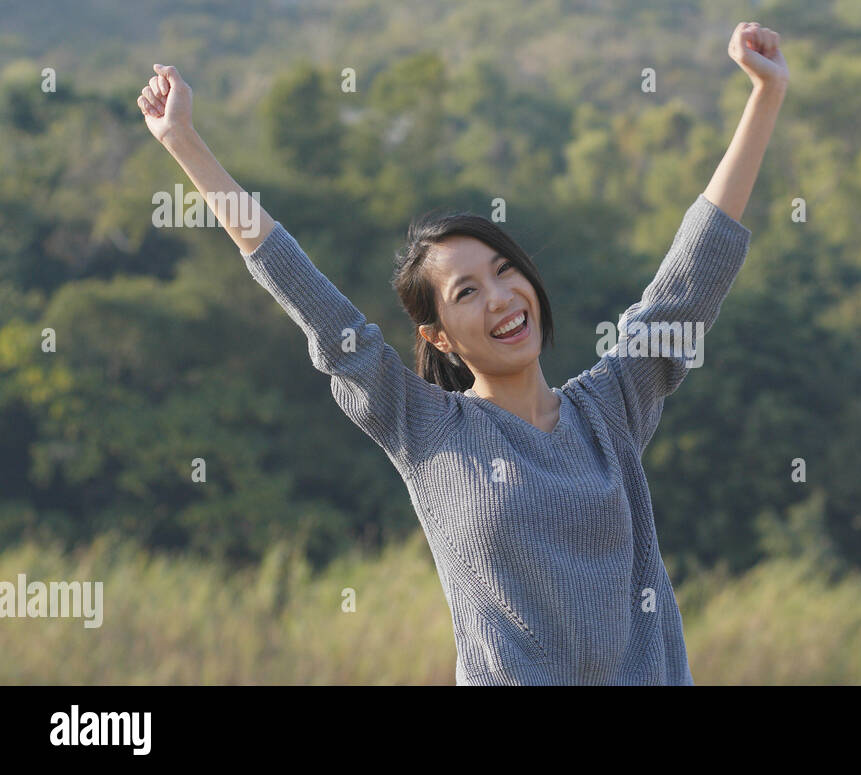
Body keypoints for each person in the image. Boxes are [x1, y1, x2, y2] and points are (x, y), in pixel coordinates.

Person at [138, 21, 788, 684]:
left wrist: (765, 96)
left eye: (506, 271)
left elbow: (691, 274)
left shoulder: (610, 410)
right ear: (438, 336)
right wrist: (186, 143)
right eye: (468, 291)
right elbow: (303, 289)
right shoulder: (427, 429)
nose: (501, 298)